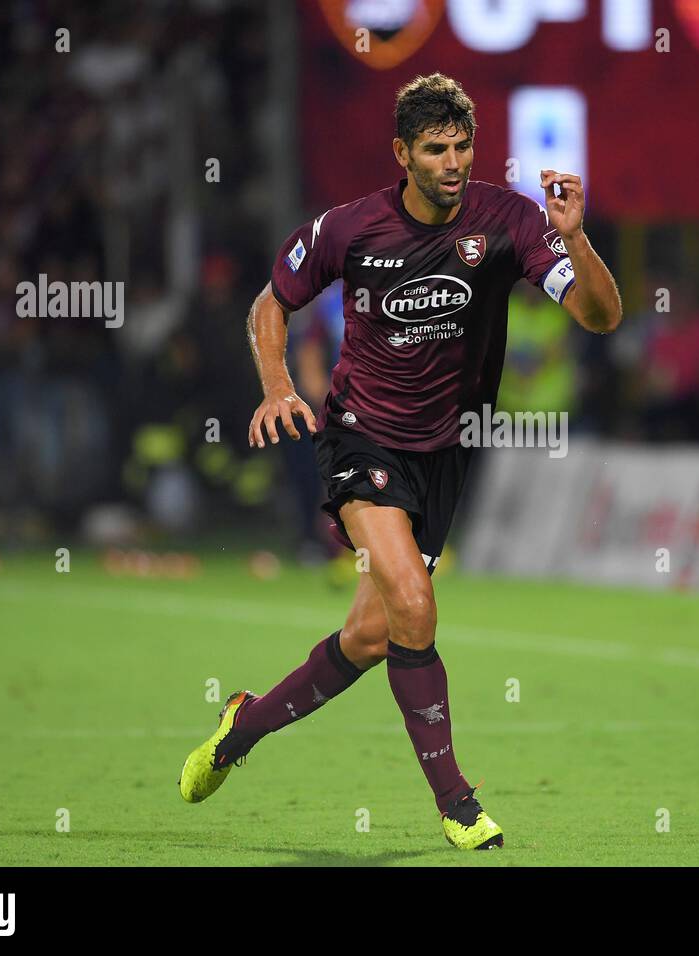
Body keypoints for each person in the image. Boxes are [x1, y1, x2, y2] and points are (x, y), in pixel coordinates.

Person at [177, 73, 622, 848]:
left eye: (462, 146)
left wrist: (577, 239)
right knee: (415, 605)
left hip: (447, 454)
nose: (453, 162)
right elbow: (269, 304)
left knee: (372, 637)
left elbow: (599, 316)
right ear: (402, 154)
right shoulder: (350, 230)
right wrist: (278, 385)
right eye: (435, 149)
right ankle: (458, 804)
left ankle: (241, 728)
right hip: (361, 439)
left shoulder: (509, 221)